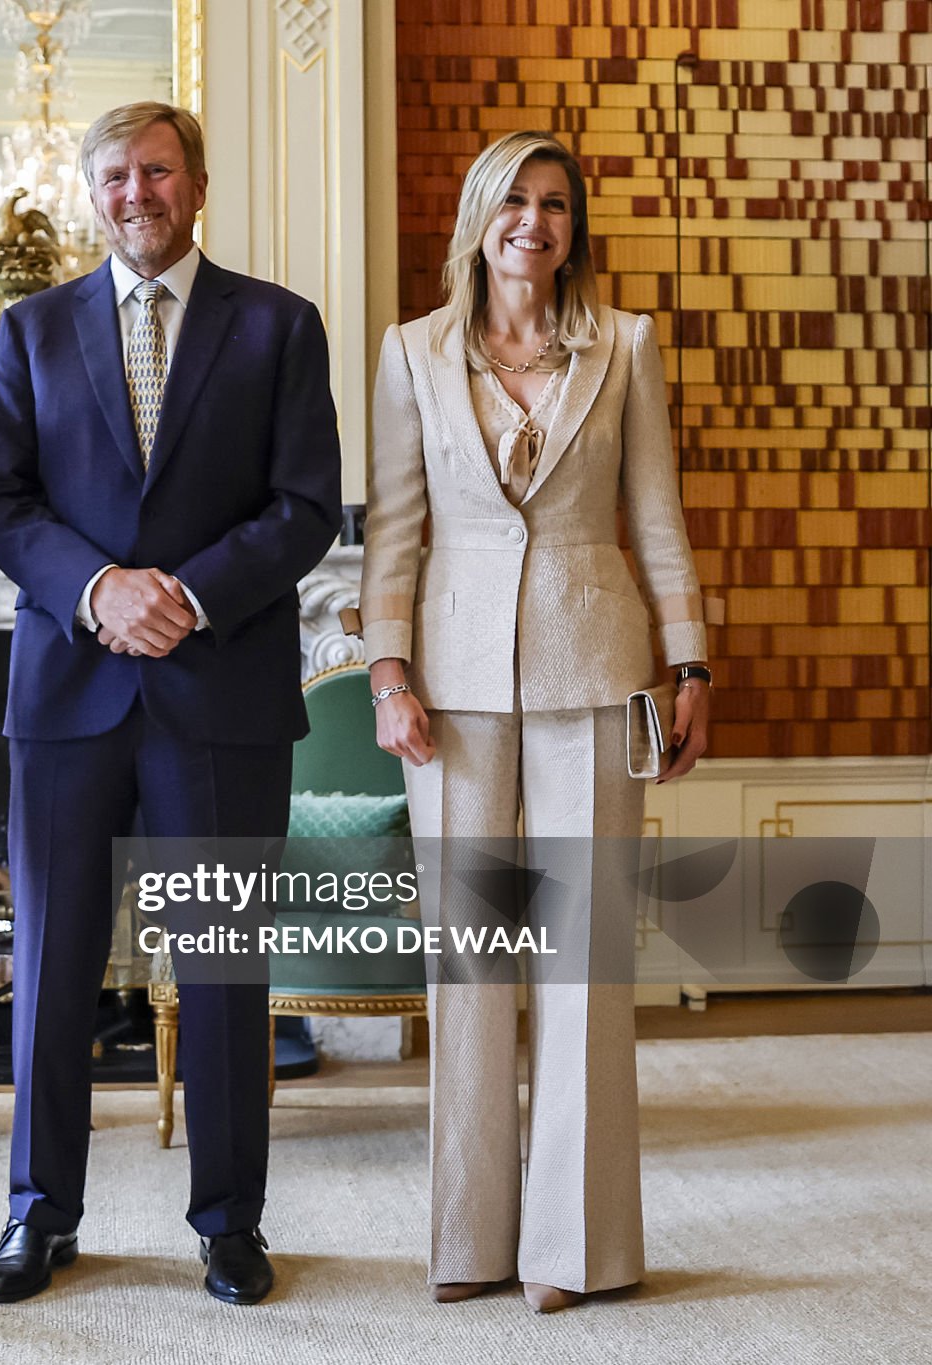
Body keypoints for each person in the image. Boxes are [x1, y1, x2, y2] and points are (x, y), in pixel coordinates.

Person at [0, 102, 342, 1306]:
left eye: (159, 171)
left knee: (222, 969)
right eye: (117, 176)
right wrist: (96, 589)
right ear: (93, 194)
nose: (138, 192)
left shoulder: (279, 326)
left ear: (196, 182)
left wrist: (180, 593)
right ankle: (40, 1215)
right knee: (51, 967)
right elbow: (2, 504)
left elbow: (300, 505)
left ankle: (231, 1222)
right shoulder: (25, 332)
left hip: (215, 683)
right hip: (68, 692)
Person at [360, 130, 711, 1313]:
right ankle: (468, 1240)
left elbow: (654, 518)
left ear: (573, 226)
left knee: (578, 965)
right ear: (477, 217)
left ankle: (574, 1251)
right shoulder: (409, 352)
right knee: (469, 967)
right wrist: (386, 672)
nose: (533, 220)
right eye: (512, 199)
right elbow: (392, 536)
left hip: (595, 668)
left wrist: (688, 665)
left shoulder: (625, 347)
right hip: (449, 690)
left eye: (553, 203)